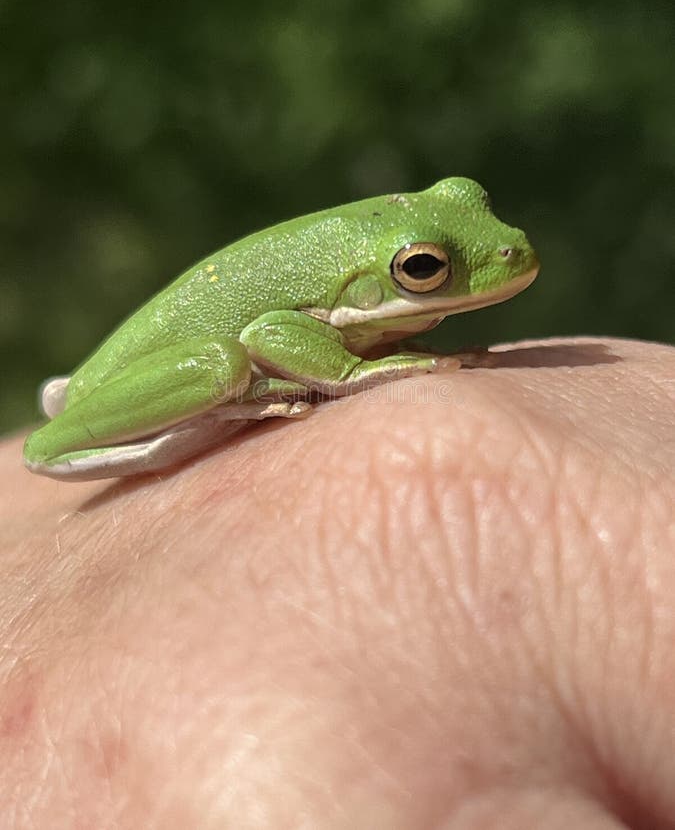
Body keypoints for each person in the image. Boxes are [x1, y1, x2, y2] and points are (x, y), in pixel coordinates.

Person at [1, 337, 673, 828]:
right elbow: (269, 335)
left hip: (115, 372)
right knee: (221, 366)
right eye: (422, 268)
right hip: (204, 360)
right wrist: (350, 372)